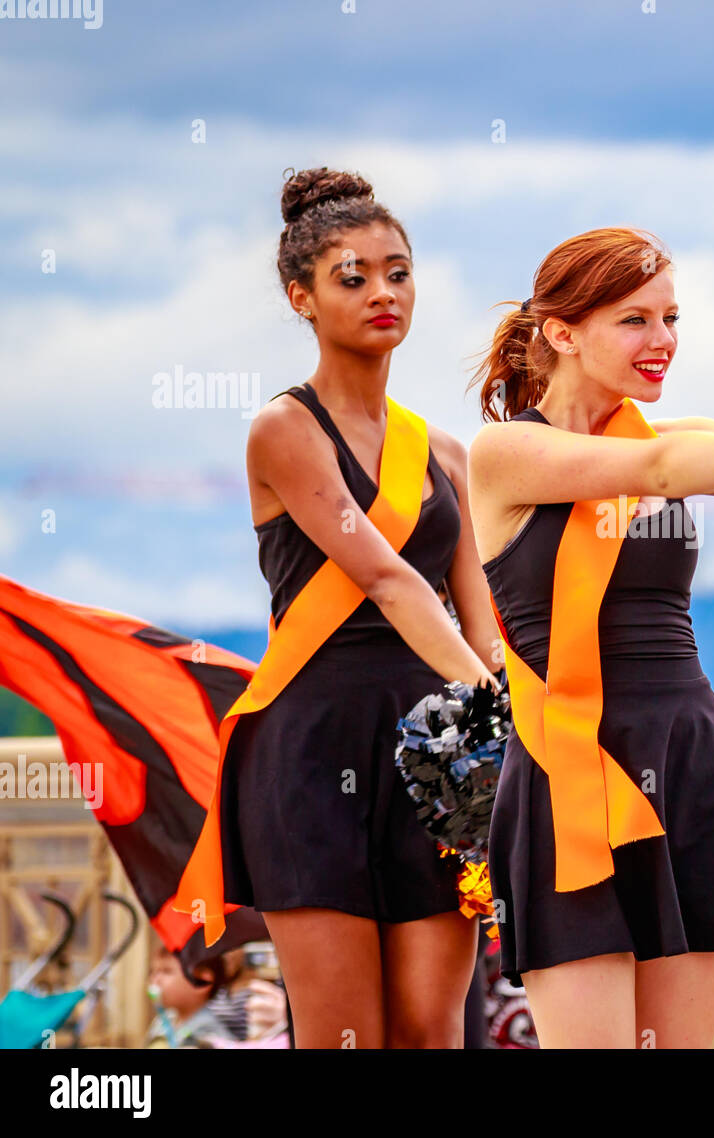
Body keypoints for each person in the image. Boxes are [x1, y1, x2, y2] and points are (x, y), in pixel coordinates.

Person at [174, 167, 502, 1049]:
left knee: (432, 1031)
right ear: (301, 298)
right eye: (351, 277)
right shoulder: (282, 429)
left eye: (398, 271)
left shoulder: (445, 453)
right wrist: (497, 705)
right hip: (313, 747)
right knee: (342, 1035)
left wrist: (509, 724)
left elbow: (483, 620)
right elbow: (391, 579)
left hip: (436, 751)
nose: (382, 292)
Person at [467, 226, 714, 1049]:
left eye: (671, 317)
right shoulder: (507, 452)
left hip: (689, 757)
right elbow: (657, 475)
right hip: (571, 769)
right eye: (634, 320)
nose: (663, 342)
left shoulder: (673, 436)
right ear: (561, 332)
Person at [144, 945, 238, 1048]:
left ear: (202, 982)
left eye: (167, 971)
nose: (155, 979)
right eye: (153, 971)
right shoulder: (162, 1022)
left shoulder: (211, 1036)